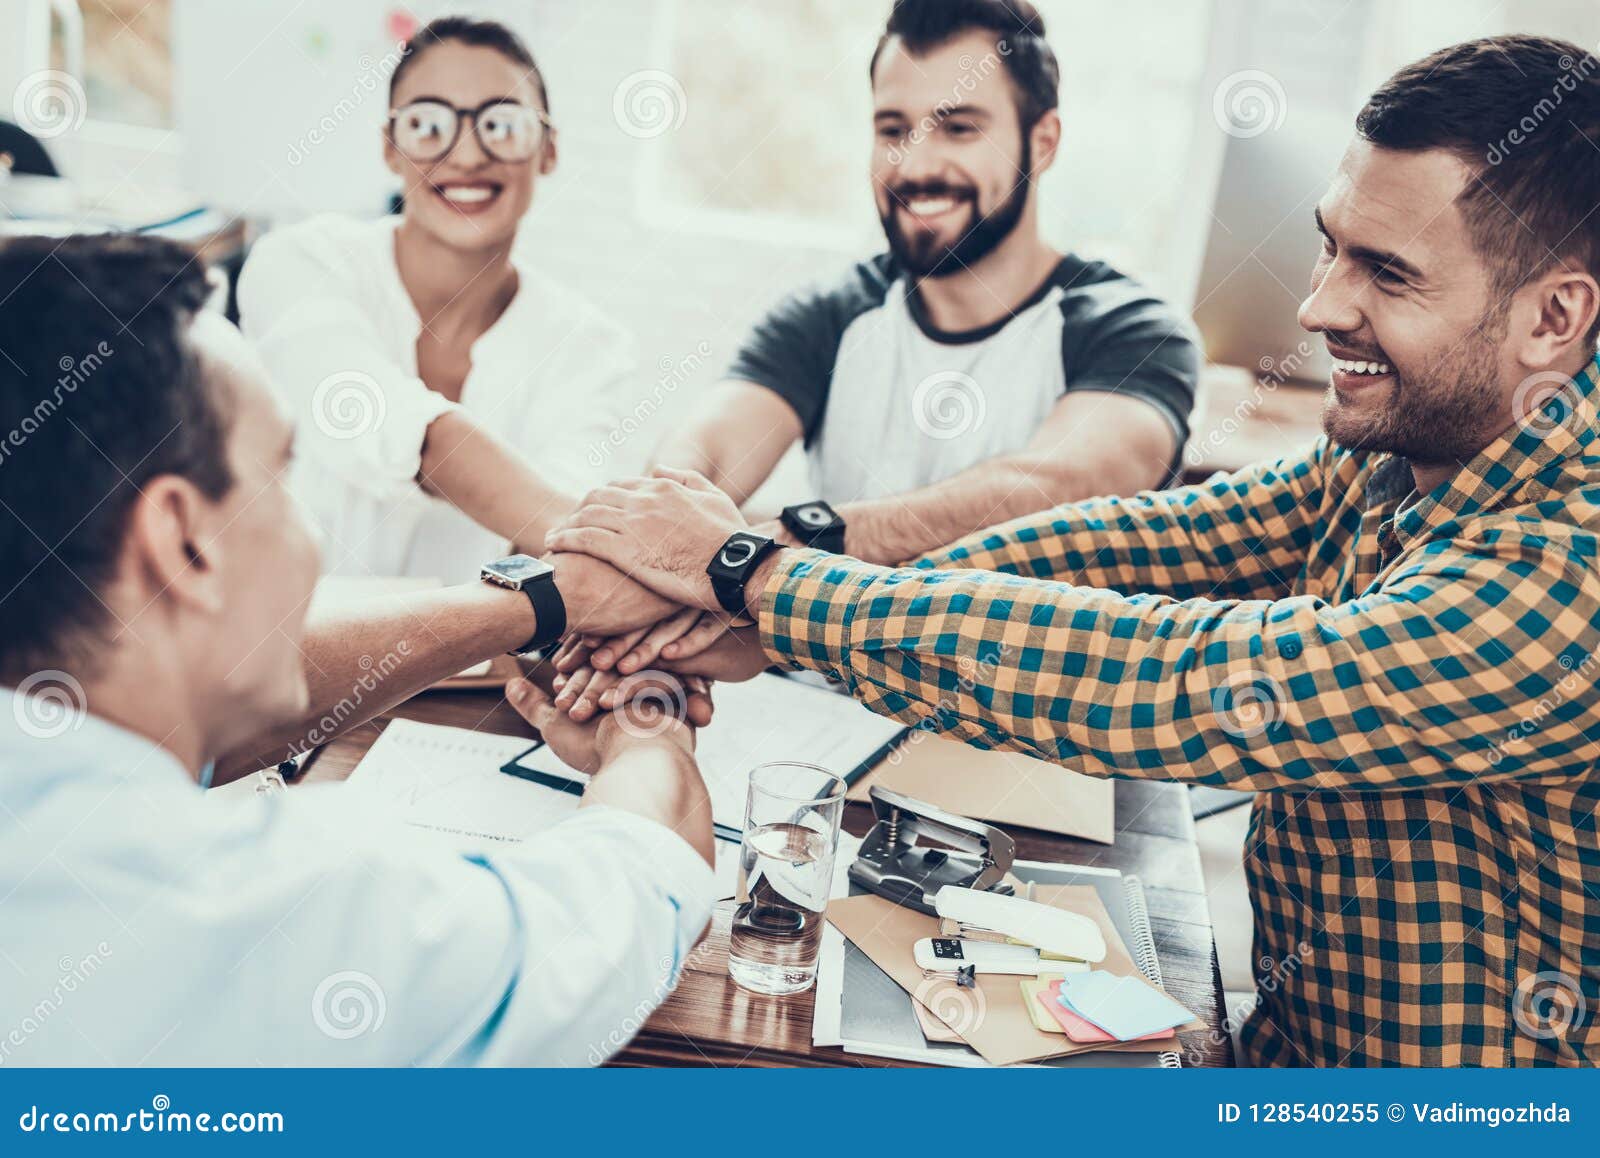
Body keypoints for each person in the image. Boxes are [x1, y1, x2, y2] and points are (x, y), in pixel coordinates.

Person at [536, 35, 1600, 1066]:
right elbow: (1139, 548)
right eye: (1329, 245)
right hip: (1282, 1053)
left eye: (1387, 274)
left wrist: (755, 577)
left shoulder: (1567, 576)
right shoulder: (1414, 445)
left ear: (1553, 317)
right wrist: (769, 622)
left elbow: (1178, 675)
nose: (1320, 307)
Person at [0, 234, 712, 1065]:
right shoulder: (277, 919)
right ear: (183, 542)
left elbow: (178, 693)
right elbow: (621, 903)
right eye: (282, 477)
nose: (311, 534)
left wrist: (550, 600)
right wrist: (648, 732)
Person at [569, 0, 1201, 688]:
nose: (915, 163)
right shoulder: (829, 314)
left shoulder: (1131, 326)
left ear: (1042, 142)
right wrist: (667, 541)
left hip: (1040, 753)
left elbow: (1061, 486)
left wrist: (782, 545)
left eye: (958, 128)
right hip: (823, 736)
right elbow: (700, 465)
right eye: (893, 128)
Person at [237, 16, 644, 583]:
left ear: (548, 150)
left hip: (482, 668)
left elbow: (573, 522)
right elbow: (383, 422)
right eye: (429, 125)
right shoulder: (299, 263)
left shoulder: (591, 349)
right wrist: (607, 551)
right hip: (273, 658)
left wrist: (595, 554)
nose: (468, 155)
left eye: (501, 125)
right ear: (390, 147)